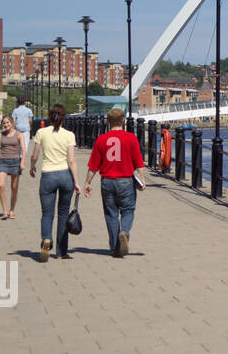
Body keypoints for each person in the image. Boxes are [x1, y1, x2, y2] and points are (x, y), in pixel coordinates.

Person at [82, 107, 145, 257]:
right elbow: (139, 163)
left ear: (108, 122)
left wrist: (87, 183)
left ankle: (116, 248)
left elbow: (93, 166)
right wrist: (142, 179)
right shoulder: (131, 138)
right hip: (125, 180)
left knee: (111, 214)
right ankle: (124, 231)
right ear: (123, 121)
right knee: (128, 210)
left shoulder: (101, 139)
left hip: (107, 181)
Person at [30, 103, 78, 262]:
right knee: (63, 213)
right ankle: (61, 252)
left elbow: (35, 155)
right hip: (65, 176)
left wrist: (32, 167)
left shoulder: (41, 132)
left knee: (47, 213)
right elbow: (71, 161)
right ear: (64, 117)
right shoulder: (69, 135)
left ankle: (46, 239)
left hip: (48, 176)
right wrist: (76, 182)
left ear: (50, 117)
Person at [0, 115, 25, 219]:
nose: (6, 125)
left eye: (8, 122)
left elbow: (23, 150)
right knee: (1, 185)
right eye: (4, 123)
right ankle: (5, 210)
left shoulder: (19, 134)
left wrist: (22, 162)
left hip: (15, 162)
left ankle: (12, 210)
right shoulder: (0, 135)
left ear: (12, 123)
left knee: (14, 188)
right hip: (3, 161)